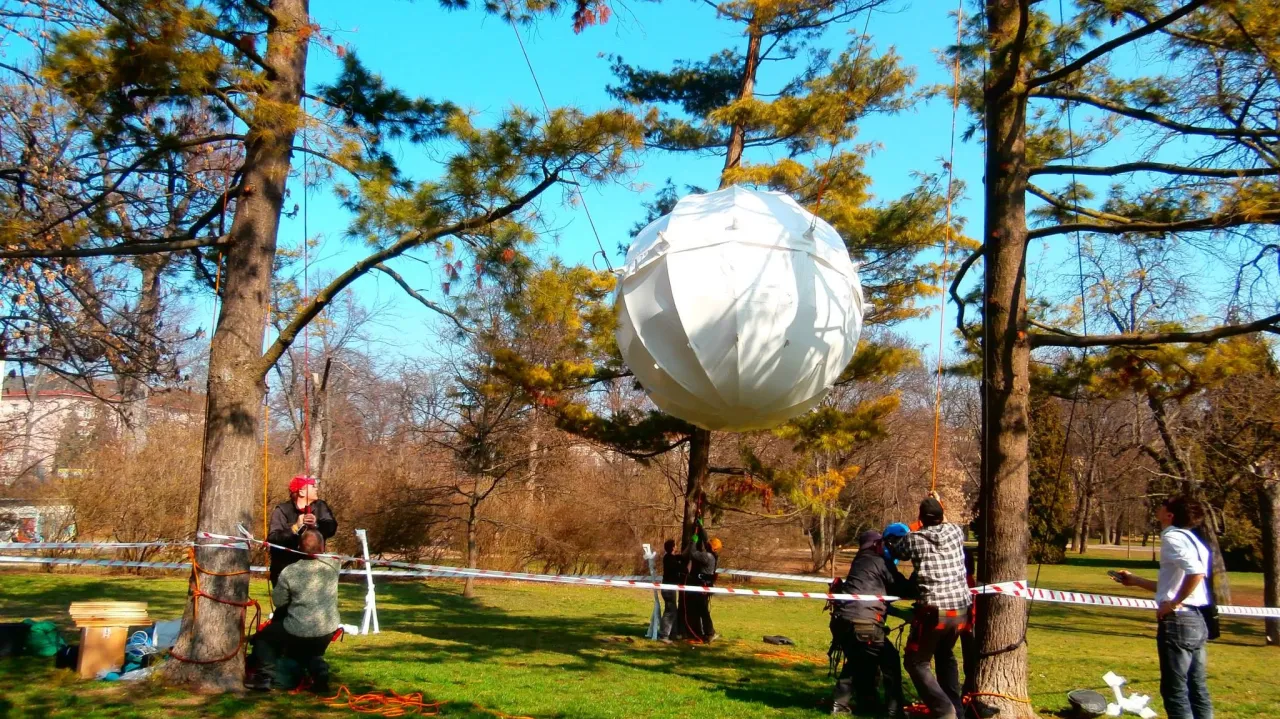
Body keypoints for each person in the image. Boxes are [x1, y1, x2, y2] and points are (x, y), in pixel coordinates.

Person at [1110, 495, 1214, 719]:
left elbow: (1196, 573)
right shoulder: (1193, 540)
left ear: (1170, 515)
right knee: (1197, 688)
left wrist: (1174, 604)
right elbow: (1174, 585)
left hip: (1179, 622)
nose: (1157, 508)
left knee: (1175, 690)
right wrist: (1135, 581)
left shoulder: (1172, 537)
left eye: (1162, 506)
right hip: (1196, 620)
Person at [892, 496, 970, 719]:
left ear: (920, 518)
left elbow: (898, 552)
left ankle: (944, 711)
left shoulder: (914, 539)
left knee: (916, 662)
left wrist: (916, 526)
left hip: (934, 612)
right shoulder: (956, 532)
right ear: (941, 516)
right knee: (945, 655)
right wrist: (939, 504)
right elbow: (945, 522)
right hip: (960, 611)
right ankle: (957, 710)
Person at [829, 529, 914, 718]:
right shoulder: (879, 562)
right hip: (864, 623)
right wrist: (918, 574)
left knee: (858, 661)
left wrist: (899, 613)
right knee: (890, 662)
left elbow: (874, 594)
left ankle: (843, 704)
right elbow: (903, 587)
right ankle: (894, 710)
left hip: (843, 621)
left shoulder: (860, 561)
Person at [252, 527, 341, 691]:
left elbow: (279, 601)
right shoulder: (333, 564)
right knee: (307, 654)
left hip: (298, 630)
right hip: (328, 629)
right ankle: (318, 669)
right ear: (322, 547)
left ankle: (265, 675)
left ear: (298, 548)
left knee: (263, 638)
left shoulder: (289, 572)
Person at [267, 475, 338, 586]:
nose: (316, 488)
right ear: (301, 492)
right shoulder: (282, 510)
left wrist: (316, 524)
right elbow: (273, 539)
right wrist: (295, 527)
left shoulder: (321, 506)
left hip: (313, 571)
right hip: (286, 572)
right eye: (313, 486)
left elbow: (332, 527)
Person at [684, 535, 720, 643]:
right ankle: (706, 632)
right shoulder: (713, 555)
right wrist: (700, 527)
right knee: (701, 610)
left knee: (701, 611)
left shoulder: (707, 556)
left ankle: (708, 633)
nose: (707, 544)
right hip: (705, 586)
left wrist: (693, 542)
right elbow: (706, 542)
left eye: (709, 544)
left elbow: (693, 554)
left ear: (712, 547)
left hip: (702, 587)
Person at [657, 539, 684, 642]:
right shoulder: (670, 560)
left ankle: (673, 634)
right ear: (673, 547)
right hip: (668, 589)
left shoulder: (669, 557)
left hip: (670, 588)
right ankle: (664, 635)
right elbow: (683, 569)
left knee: (673, 610)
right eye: (675, 546)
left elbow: (680, 557)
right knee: (670, 611)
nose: (676, 547)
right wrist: (689, 563)